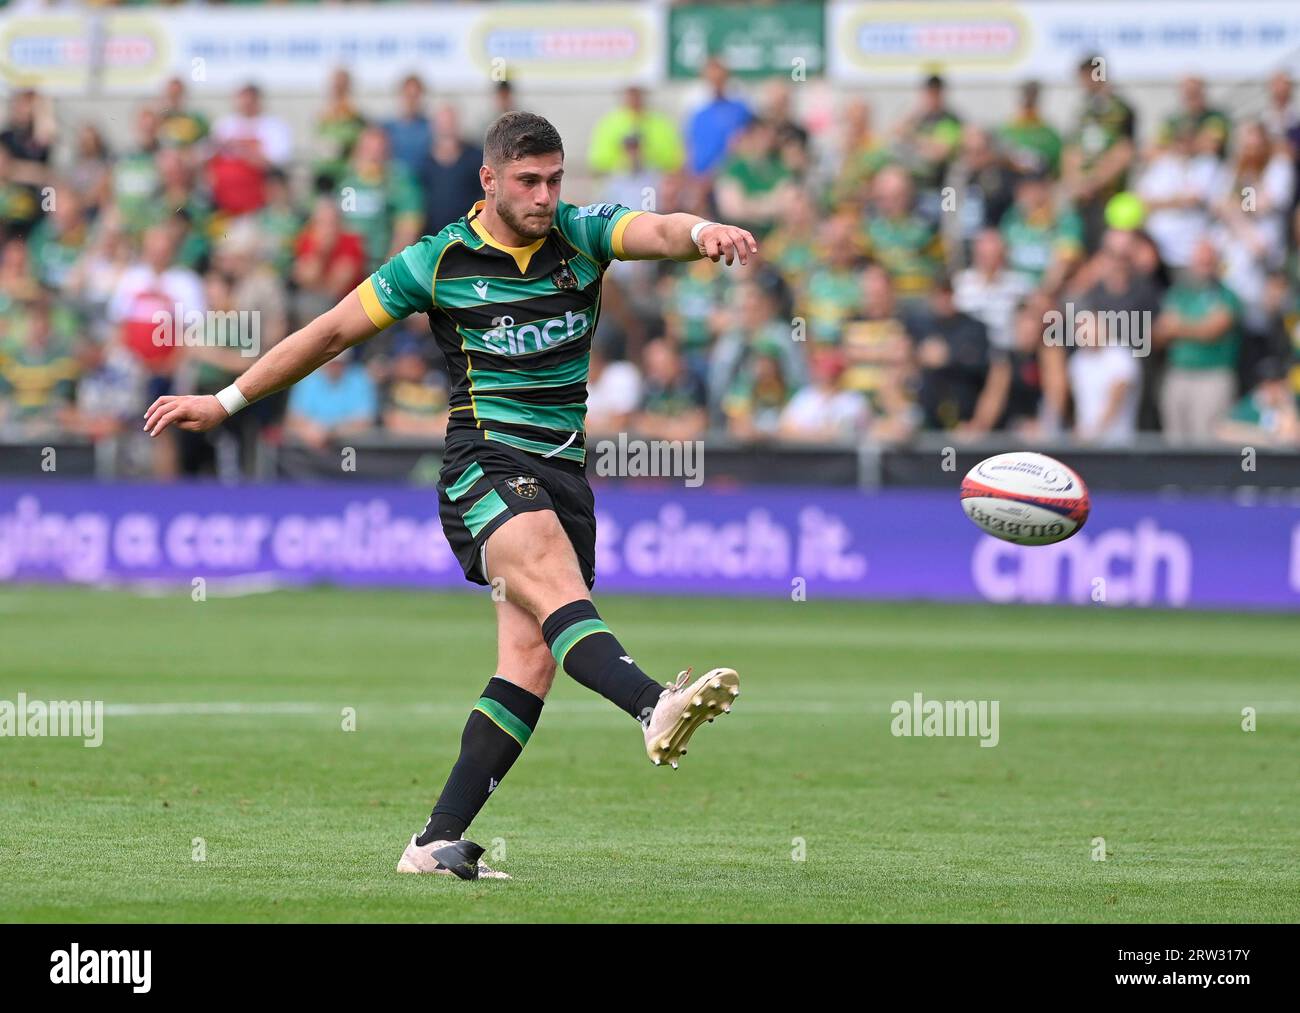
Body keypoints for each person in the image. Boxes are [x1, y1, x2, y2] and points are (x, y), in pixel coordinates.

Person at [143, 111, 755, 881]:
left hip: (564, 470)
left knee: (530, 659)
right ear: (489, 180)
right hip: (485, 463)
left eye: (555, 179)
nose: (544, 196)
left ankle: (432, 844)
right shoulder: (436, 261)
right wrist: (226, 400)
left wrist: (702, 232)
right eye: (528, 181)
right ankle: (648, 703)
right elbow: (331, 331)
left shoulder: (582, 233)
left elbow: (655, 229)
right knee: (555, 584)